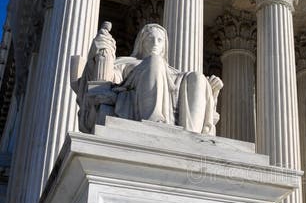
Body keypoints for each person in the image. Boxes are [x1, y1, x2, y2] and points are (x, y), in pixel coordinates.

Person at [73, 22, 222, 136]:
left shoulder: (174, 72)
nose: (155, 43)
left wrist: (211, 92)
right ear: (142, 43)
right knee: (155, 61)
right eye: (150, 39)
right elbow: (108, 82)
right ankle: (154, 124)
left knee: (197, 77)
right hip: (135, 101)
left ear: (165, 46)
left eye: (160, 40)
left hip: (174, 100)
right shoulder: (126, 63)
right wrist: (103, 52)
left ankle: (191, 138)